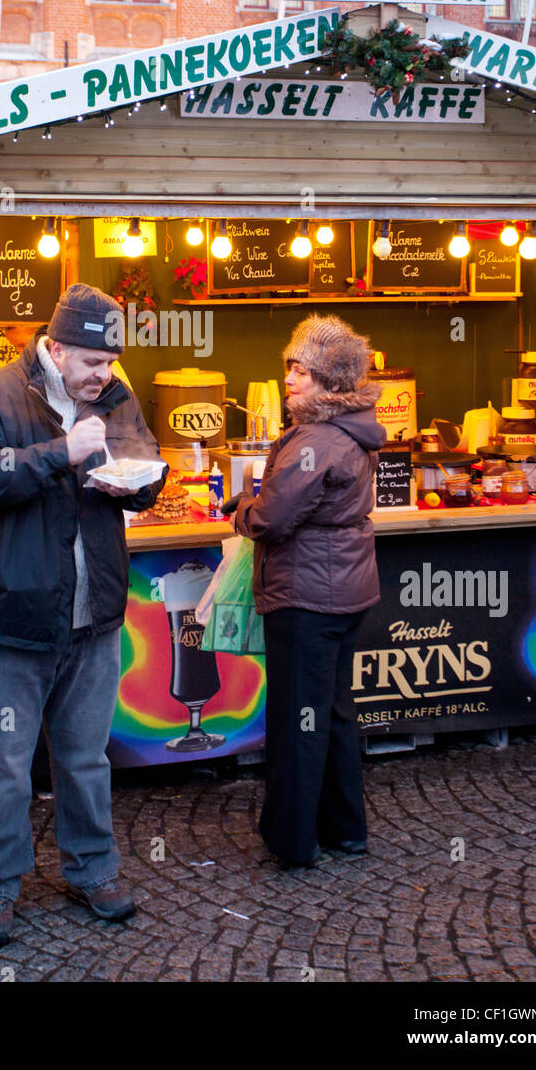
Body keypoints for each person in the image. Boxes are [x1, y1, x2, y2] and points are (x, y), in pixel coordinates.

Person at [0, 283, 165, 944]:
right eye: (94, 363)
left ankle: (92, 870)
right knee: (5, 762)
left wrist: (141, 479)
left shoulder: (116, 397)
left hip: (92, 615)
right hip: (12, 616)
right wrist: (57, 455)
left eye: (112, 362)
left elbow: (147, 470)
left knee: (86, 757)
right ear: (58, 347)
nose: (105, 375)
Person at [233, 314, 386, 868]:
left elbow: (272, 520)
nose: (290, 378)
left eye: (303, 371)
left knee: (298, 715)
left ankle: (294, 841)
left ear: (332, 381)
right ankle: (345, 829)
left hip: (308, 594)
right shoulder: (354, 428)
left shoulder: (316, 440)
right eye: (290, 367)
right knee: (335, 712)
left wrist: (243, 510)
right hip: (346, 589)